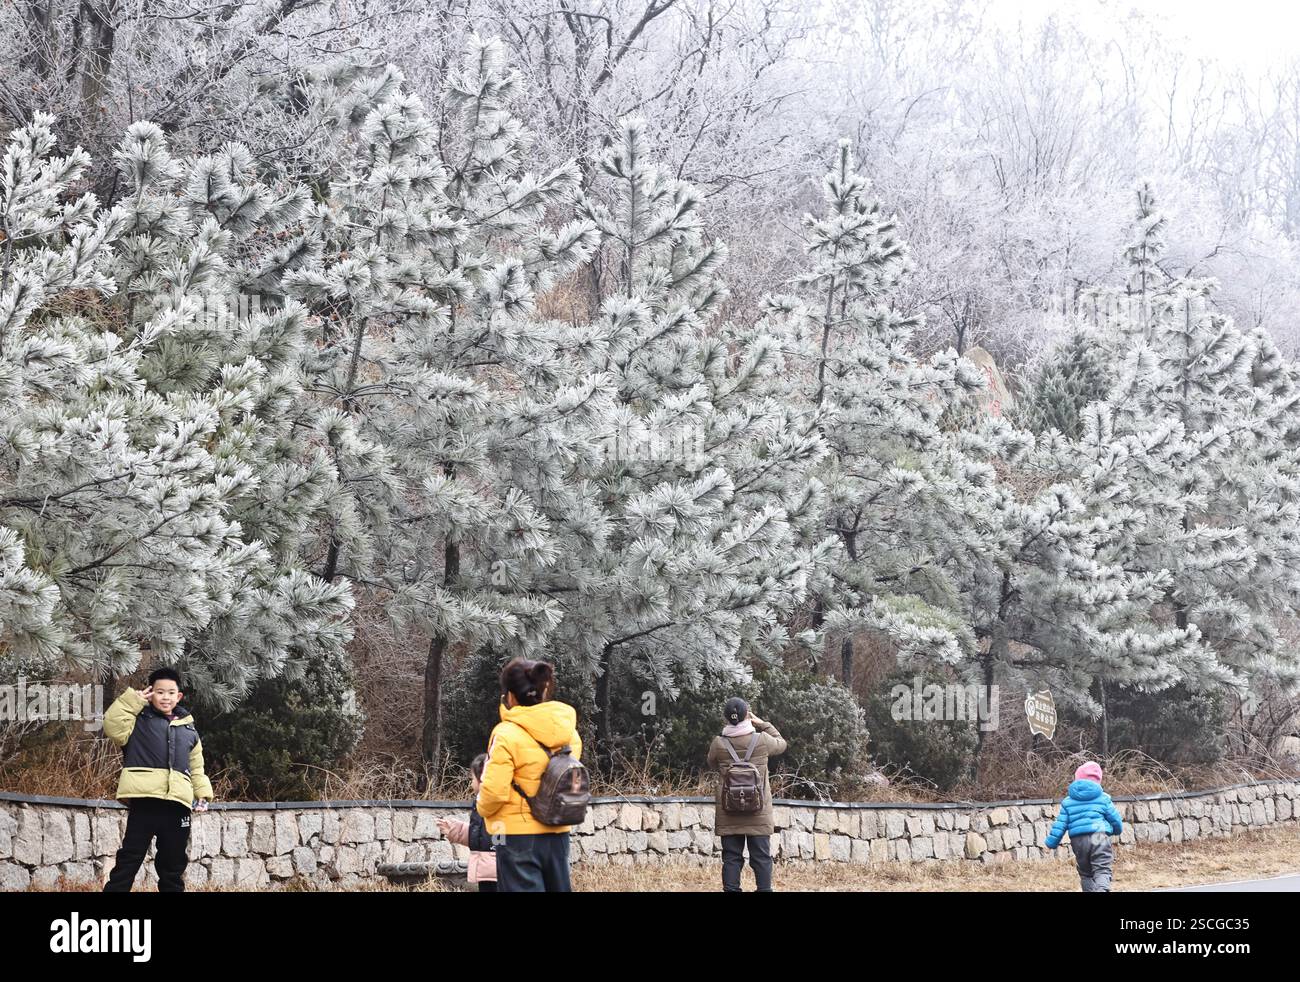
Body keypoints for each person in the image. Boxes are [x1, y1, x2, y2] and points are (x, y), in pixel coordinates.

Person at [102, 667, 214, 892]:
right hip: (146, 802)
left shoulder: (188, 729)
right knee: (130, 858)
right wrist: (131, 701)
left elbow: (196, 766)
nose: (166, 697)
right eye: (160, 692)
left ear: (178, 696)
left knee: (173, 863)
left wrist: (202, 793)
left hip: (178, 805)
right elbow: (112, 728)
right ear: (151, 693)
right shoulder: (137, 720)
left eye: (171, 693)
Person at [476, 657, 583, 892]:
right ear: (544, 691)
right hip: (558, 832)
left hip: (517, 835)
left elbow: (494, 793)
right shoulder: (568, 733)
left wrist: (482, 809)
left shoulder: (505, 733)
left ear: (510, 696)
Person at [707, 696, 787, 893]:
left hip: (729, 811)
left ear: (726, 718)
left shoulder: (719, 743)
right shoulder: (762, 740)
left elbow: (712, 763)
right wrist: (763, 723)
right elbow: (782, 743)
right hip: (758, 811)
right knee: (761, 857)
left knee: (731, 858)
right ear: (747, 716)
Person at [1044, 761, 1124, 892]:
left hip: (1078, 840)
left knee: (1086, 873)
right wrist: (1117, 830)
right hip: (1099, 835)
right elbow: (1115, 819)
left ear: (1077, 779)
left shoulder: (1068, 802)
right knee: (1102, 868)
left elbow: (1060, 825)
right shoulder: (1103, 798)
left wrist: (1050, 843)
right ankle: (1102, 890)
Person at [438, 753, 498, 892]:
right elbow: (483, 836)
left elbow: (496, 839)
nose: (471, 784)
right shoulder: (480, 803)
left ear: (483, 779)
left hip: (495, 871)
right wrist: (455, 830)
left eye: (472, 778)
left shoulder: (496, 807)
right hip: (488, 870)